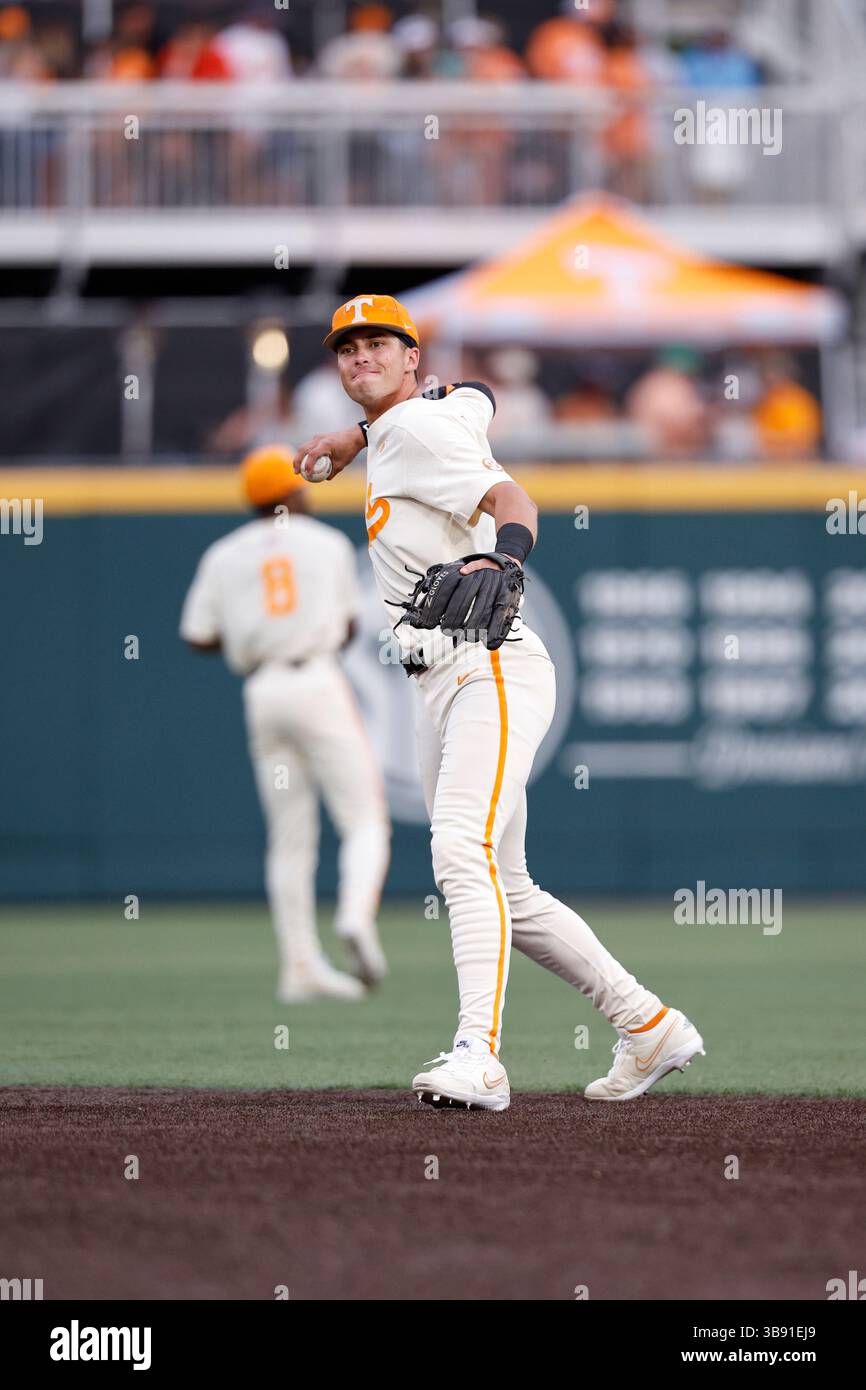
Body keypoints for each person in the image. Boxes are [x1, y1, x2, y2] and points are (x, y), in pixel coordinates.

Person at [293, 294, 705, 1108]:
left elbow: (514, 501)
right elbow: (478, 392)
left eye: (379, 343)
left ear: (413, 358)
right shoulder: (431, 415)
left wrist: (503, 561)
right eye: (347, 349)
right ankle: (647, 1024)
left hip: (490, 664)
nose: (359, 357)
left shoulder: (414, 430)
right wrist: (360, 434)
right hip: (439, 680)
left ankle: (478, 1056)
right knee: (507, 887)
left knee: (458, 848)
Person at [180, 445, 391, 1002]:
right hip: (317, 681)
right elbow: (347, 627)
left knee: (289, 840)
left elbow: (196, 634)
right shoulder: (325, 543)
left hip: (263, 690)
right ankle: (354, 916)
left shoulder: (224, 554)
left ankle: (299, 966)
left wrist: (253, 636)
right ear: (294, 493)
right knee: (365, 819)